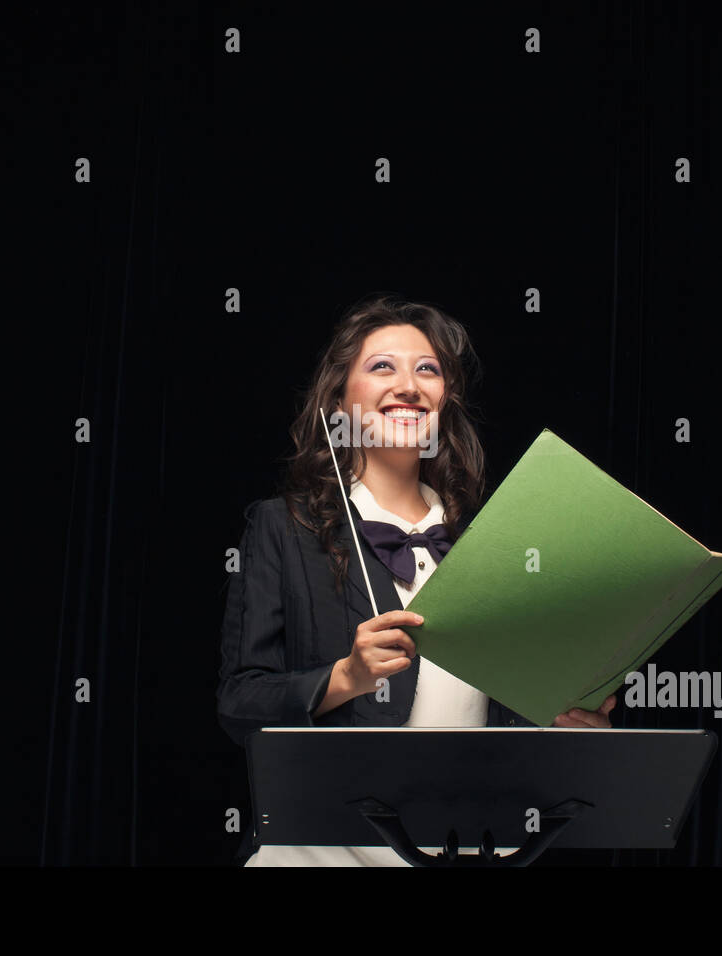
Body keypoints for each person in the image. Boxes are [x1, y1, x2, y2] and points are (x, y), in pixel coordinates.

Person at [217, 293, 617, 866]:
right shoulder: (282, 527)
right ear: (338, 399)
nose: (408, 385)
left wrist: (564, 721)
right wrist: (344, 677)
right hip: (319, 853)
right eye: (383, 366)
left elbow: (502, 715)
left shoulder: (493, 543)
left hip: (470, 849)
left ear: (444, 400)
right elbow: (239, 701)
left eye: (426, 370)